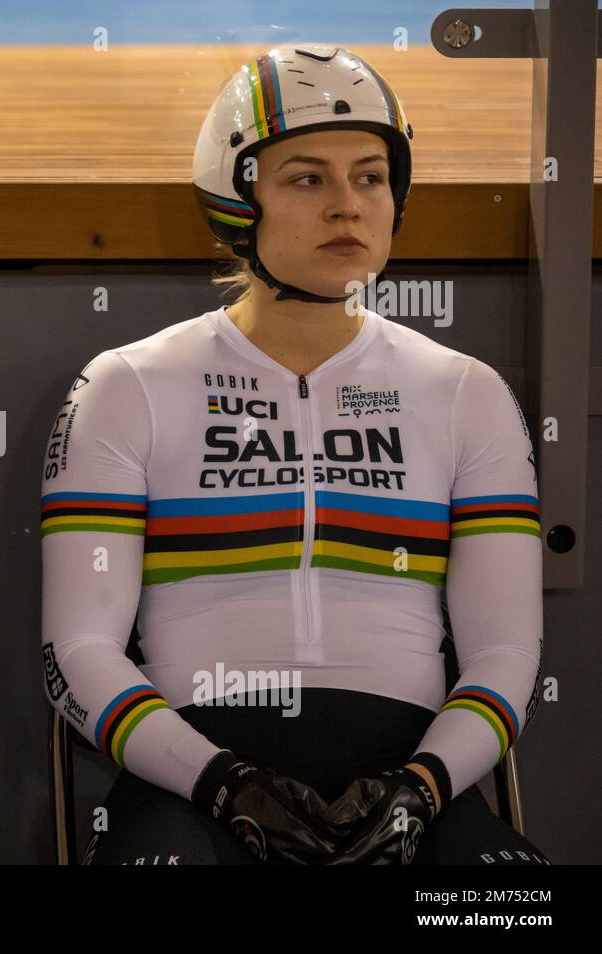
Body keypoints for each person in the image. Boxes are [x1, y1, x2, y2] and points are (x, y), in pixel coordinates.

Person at [40, 46, 548, 865]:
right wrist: (222, 784)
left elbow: (505, 653)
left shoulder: (467, 393)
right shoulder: (127, 385)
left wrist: (421, 789)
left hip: (410, 779)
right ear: (236, 201)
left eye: (372, 177)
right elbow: (77, 652)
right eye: (307, 178)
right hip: (194, 781)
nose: (347, 205)